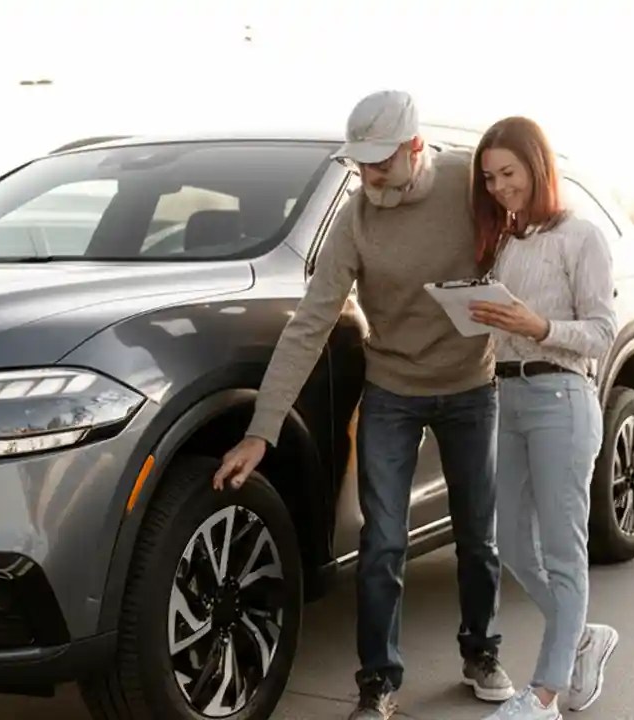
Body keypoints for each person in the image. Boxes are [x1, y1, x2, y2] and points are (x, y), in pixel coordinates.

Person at [211, 90, 514, 720]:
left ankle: (481, 650)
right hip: (393, 390)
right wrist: (260, 431)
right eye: (361, 162)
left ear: (415, 148)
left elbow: (530, 231)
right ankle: (377, 682)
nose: (369, 173)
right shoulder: (357, 216)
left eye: (381, 160)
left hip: (468, 387)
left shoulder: (469, 183)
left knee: (478, 535)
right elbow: (309, 323)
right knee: (382, 541)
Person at [466, 116, 620, 720]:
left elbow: (602, 332)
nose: (500, 187)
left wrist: (540, 328)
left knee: (562, 550)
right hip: (506, 397)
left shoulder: (581, 236)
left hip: (562, 399)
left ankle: (546, 695)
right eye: (489, 178)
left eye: (509, 173)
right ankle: (581, 635)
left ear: (537, 166)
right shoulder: (503, 241)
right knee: (510, 543)